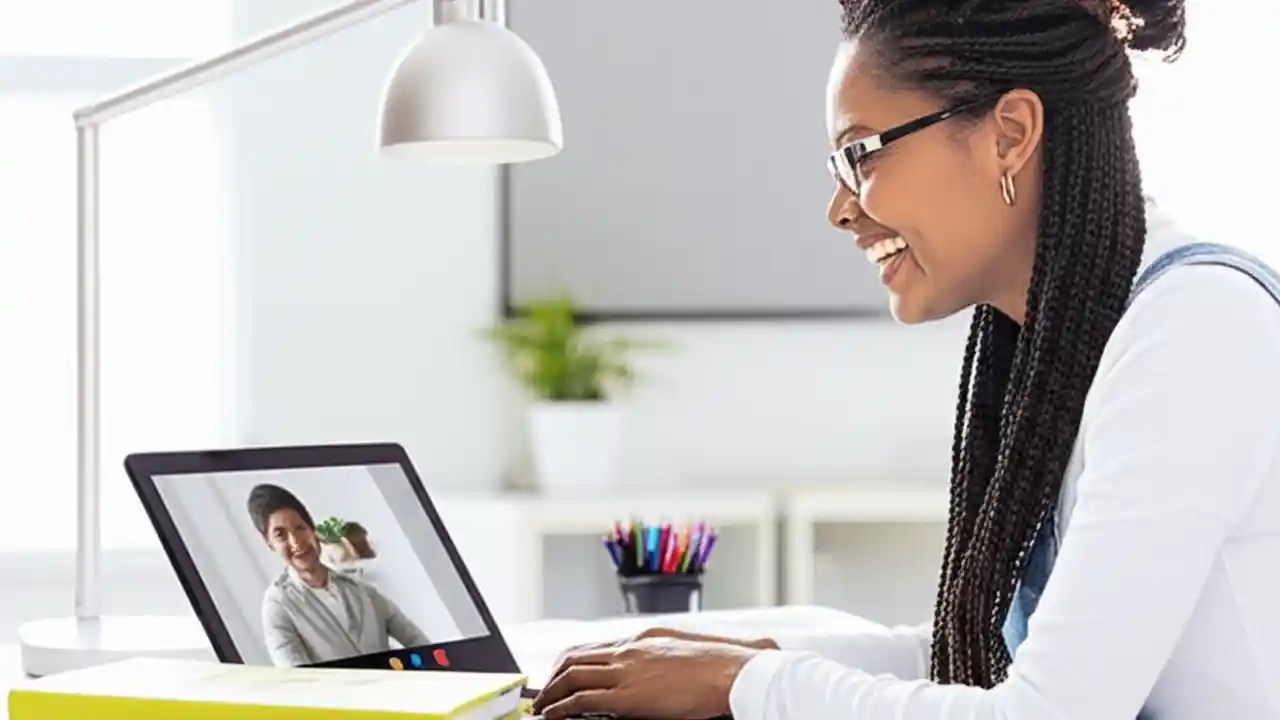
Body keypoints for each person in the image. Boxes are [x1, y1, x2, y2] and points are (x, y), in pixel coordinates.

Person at [532, 0, 1280, 718]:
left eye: (860, 153)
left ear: (1010, 133)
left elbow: (1048, 713)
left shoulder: (1192, 332)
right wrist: (743, 657)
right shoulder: (1080, 337)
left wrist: (748, 685)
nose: (841, 207)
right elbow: (989, 658)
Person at [246, 483, 430, 666]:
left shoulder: (360, 588)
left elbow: (416, 639)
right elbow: (297, 679)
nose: (296, 543)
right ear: (269, 543)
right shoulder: (278, 606)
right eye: (280, 535)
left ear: (312, 528)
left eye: (300, 528)